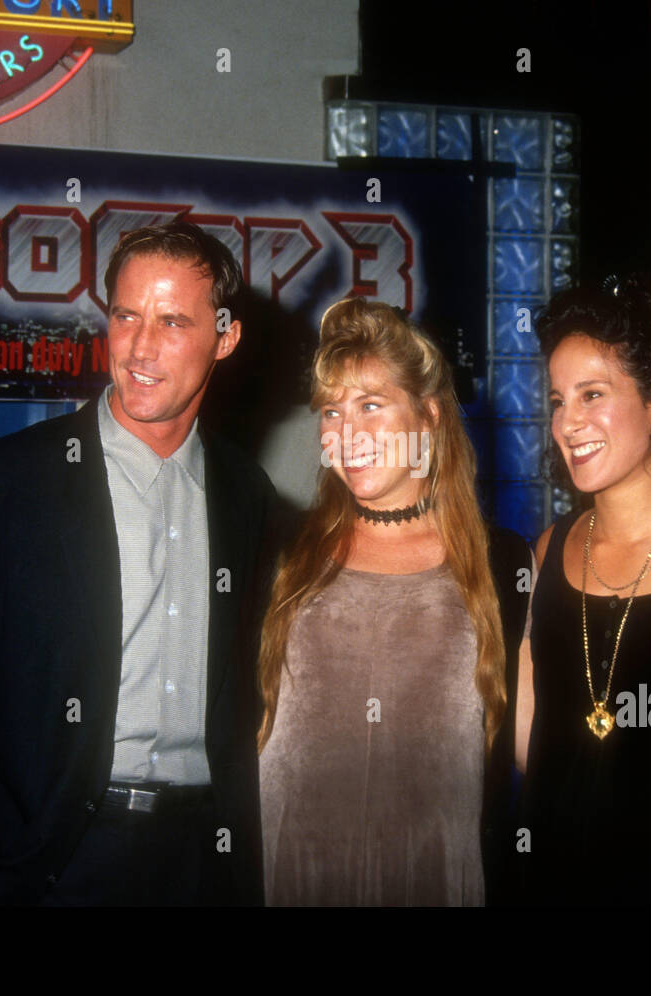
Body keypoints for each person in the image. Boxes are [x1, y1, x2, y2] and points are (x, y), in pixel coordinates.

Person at [0, 221, 277, 906]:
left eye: (172, 322)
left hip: (205, 864)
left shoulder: (249, 494)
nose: (139, 346)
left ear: (226, 338)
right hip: (46, 863)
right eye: (126, 315)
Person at [256, 298, 529, 906]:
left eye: (371, 405)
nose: (346, 434)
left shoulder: (505, 566)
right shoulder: (280, 555)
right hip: (294, 876)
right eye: (331, 411)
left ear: (429, 415)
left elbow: (540, 748)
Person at [514, 276, 651, 905]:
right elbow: (530, 737)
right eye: (558, 399)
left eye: (592, 394)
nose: (567, 422)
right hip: (546, 875)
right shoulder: (548, 548)